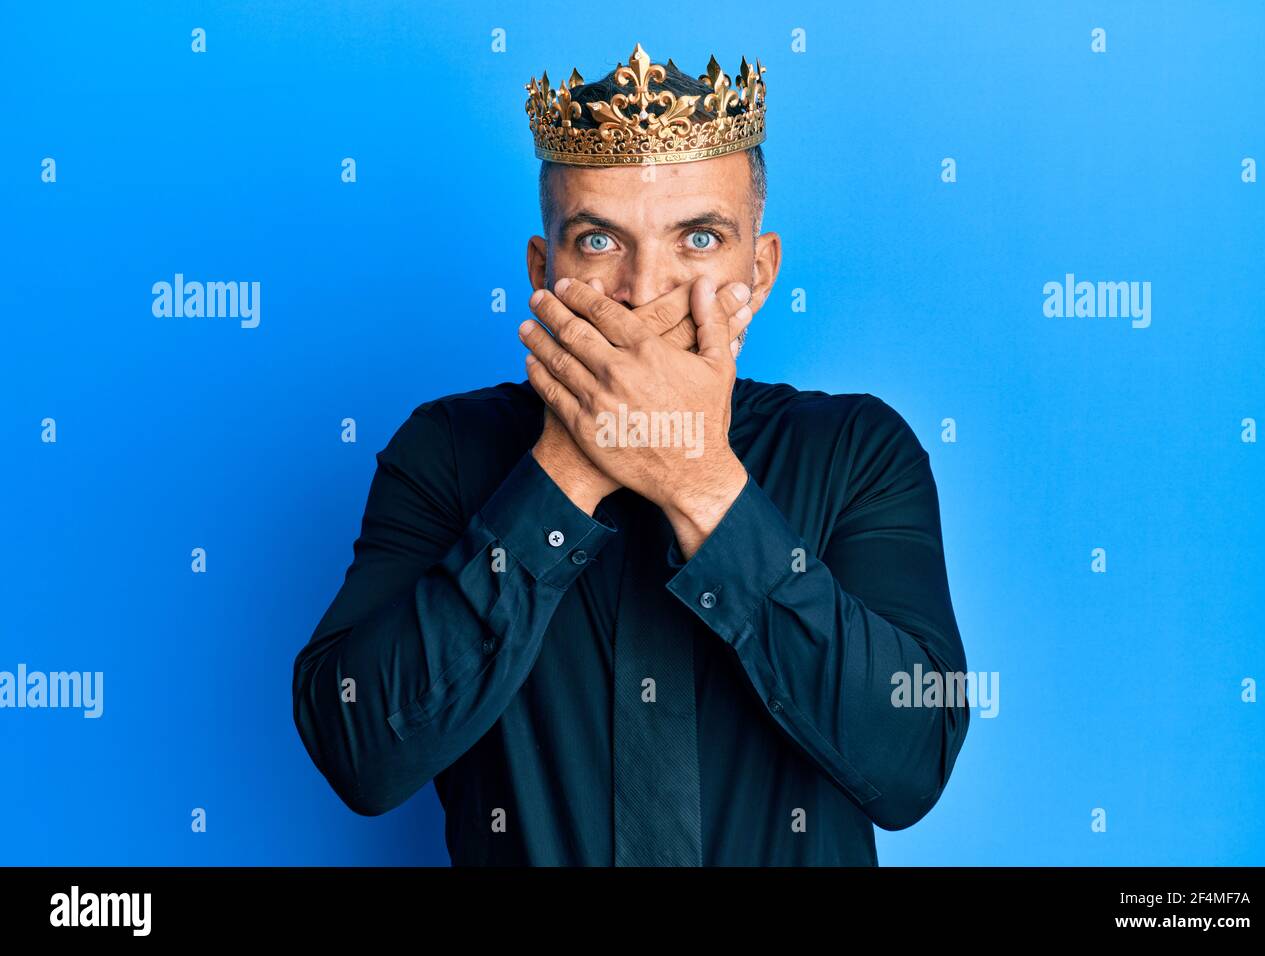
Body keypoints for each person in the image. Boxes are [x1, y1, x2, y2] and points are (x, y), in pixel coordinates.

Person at [292, 42, 970, 865]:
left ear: (759, 269)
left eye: (699, 238)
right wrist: (570, 466)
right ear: (544, 271)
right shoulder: (446, 453)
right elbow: (358, 750)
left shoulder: (858, 450)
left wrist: (704, 485)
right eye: (600, 242)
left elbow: (912, 761)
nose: (647, 290)